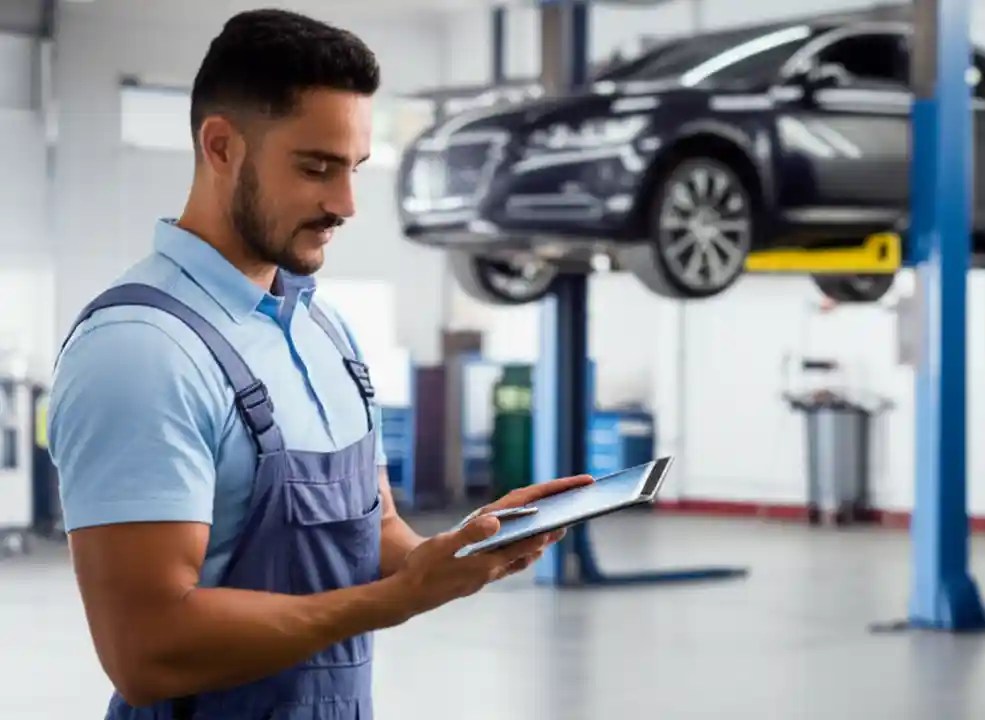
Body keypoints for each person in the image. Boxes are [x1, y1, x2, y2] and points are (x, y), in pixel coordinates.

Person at [46, 9, 591, 719]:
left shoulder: (325, 333)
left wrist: (460, 552)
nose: (345, 204)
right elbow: (147, 650)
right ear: (221, 147)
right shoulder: (140, 352)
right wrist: (393, 602)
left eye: (355, 169)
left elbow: (376, 533)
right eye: (315, 168)